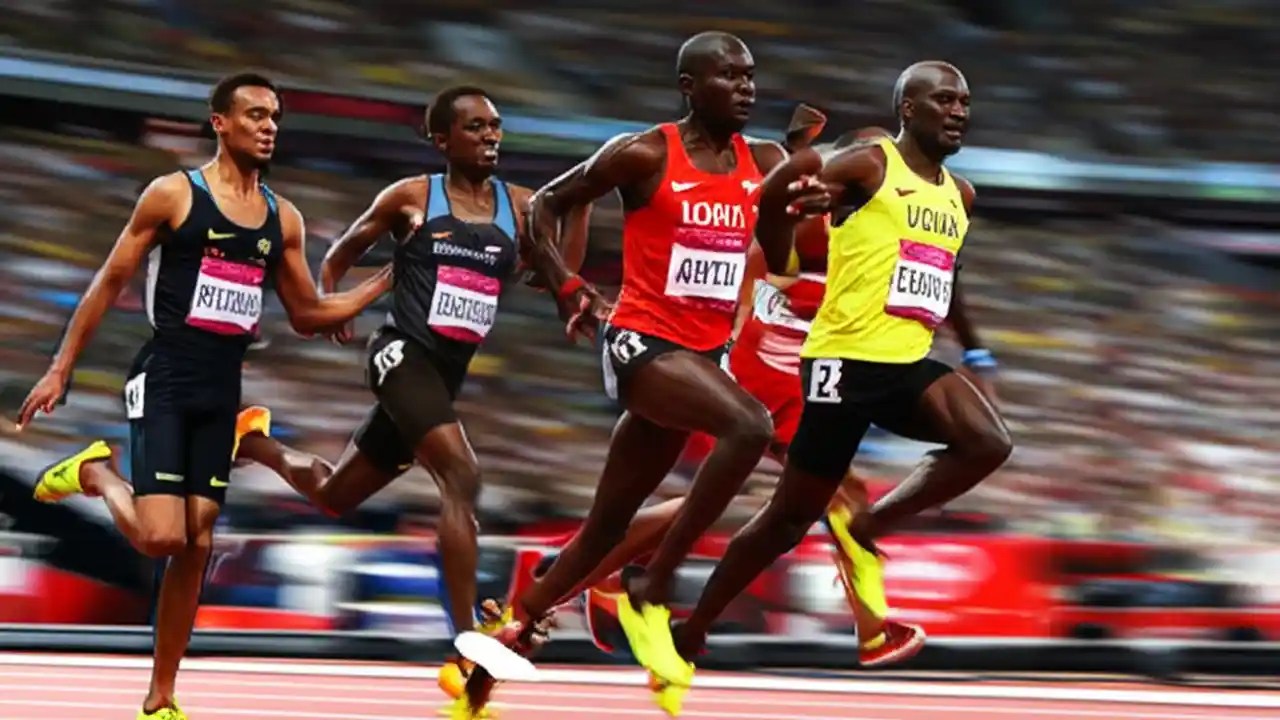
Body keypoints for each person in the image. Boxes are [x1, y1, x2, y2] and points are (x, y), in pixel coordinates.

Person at [457, 31, 830, 716]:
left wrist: (800, 214)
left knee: (603, 529)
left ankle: (491, 655)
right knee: (748, 425)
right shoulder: (644, 152)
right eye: (729, 77)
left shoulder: (768, 161)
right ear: (689, 87)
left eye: (751, 77)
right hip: (642, 347)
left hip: (703, 358)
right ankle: (654, 593)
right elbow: (544, 204)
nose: (746, 88)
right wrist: (566, 283)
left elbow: (782, 259)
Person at [630, 61, 1014, 703]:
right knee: (787, 519)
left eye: (965, 102)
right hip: (843, 364)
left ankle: (866, 530)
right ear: (908, 109)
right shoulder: (868, 163)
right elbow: (775, 191)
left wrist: (975, 352)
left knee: (989, 442)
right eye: (943, 100)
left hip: (907, 361)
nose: (958, 111)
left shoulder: (960, 195)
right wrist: (784, 240)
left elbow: (946, 278)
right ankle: (693, 630)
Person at [15, 72, 390, 719]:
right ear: (220, 122)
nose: (269, 125)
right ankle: (96, 471)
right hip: (166, 374)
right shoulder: (174, 196)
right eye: (254, 114)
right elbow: (109, 281)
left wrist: (387, 278)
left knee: (198, 542)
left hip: (223, 386)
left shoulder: (283, 217)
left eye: (275, 115)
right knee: (162, 537)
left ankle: (161, 698)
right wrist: (60, 368)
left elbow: (307, 312)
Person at [294, 85, 582, 713]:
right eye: (475, 127)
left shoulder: (523, 208)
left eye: (496, 126)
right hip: (398, 355)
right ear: (441, 139)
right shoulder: (412, 197)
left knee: (335, 494)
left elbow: (557, 274)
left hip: (443, 378)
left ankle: (252, 440)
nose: (490, 136)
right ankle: (466, 645)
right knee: (463, 474)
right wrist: (330, 297)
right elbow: (343, 249)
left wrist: (575, 209)